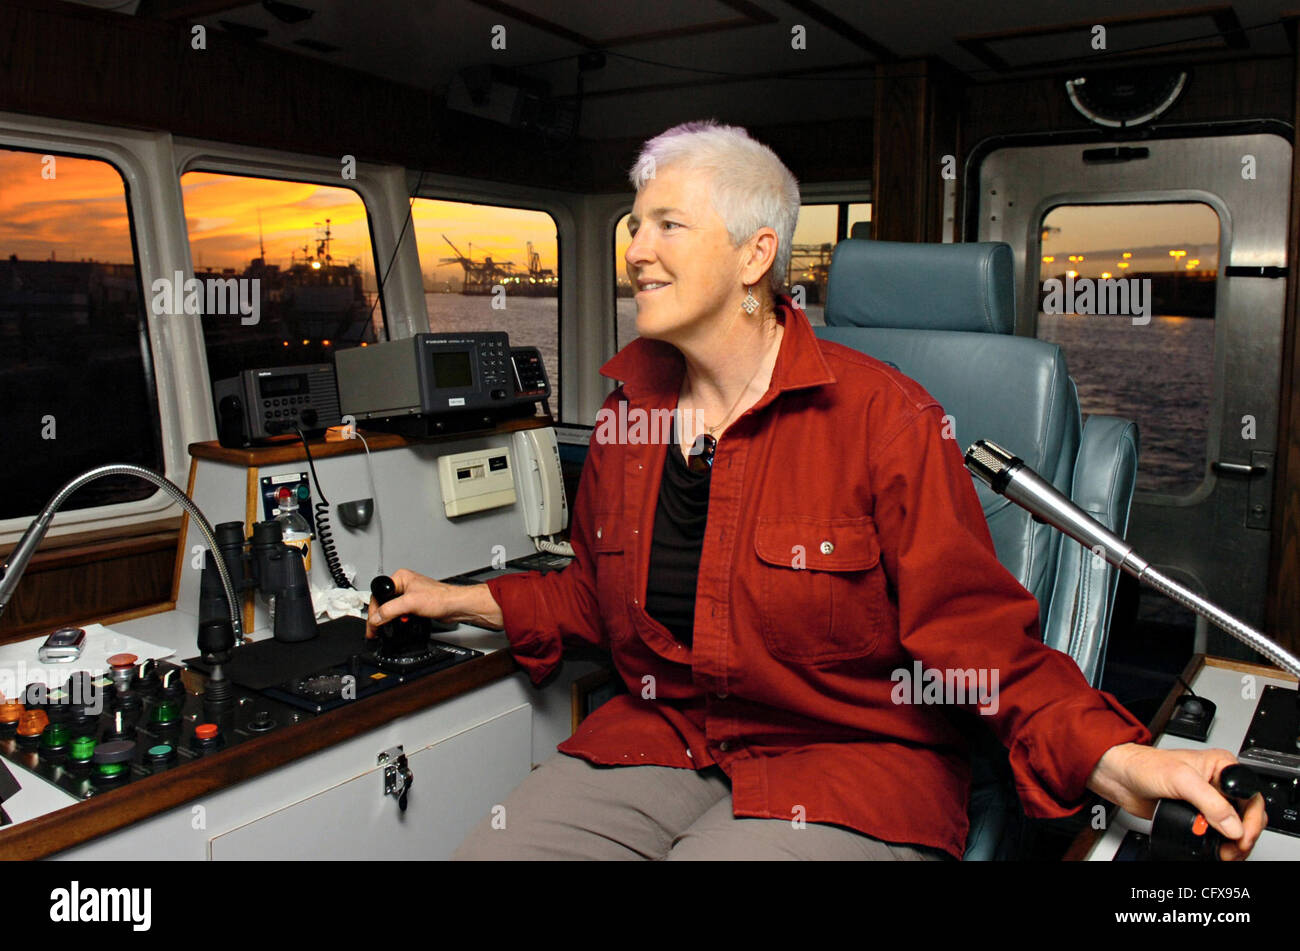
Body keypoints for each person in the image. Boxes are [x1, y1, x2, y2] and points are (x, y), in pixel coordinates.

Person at [367, 120, 1265, 861]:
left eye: (667, 226)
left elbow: (978, 640)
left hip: (852, 758)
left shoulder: (887, 419)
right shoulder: (629, 411)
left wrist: (1116, 758)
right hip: (670, 736)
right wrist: (454, 598)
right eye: (632, 226)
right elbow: (594, 598)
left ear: (757, 253)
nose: (635, 250)